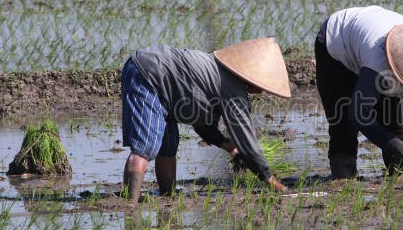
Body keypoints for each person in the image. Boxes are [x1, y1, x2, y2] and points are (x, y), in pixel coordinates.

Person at [120, 37, 290, 201]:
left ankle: (167, 196)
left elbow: (201, 123)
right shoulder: (234, 91)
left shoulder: (218, 72)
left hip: (160, 81)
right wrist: (269, 179)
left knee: (168, 146)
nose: (262, 90)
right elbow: (247, 141)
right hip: (148, 73)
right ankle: (130, 205)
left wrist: (231, 148)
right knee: (146, 147)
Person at [315, 6, 403, 179]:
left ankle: (401, 176)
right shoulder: (380, 63)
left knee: (395, 122)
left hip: (372, 43)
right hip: (336, 47)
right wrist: (391, 143)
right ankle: (343, 177)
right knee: (342, 120)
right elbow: (358, 114)